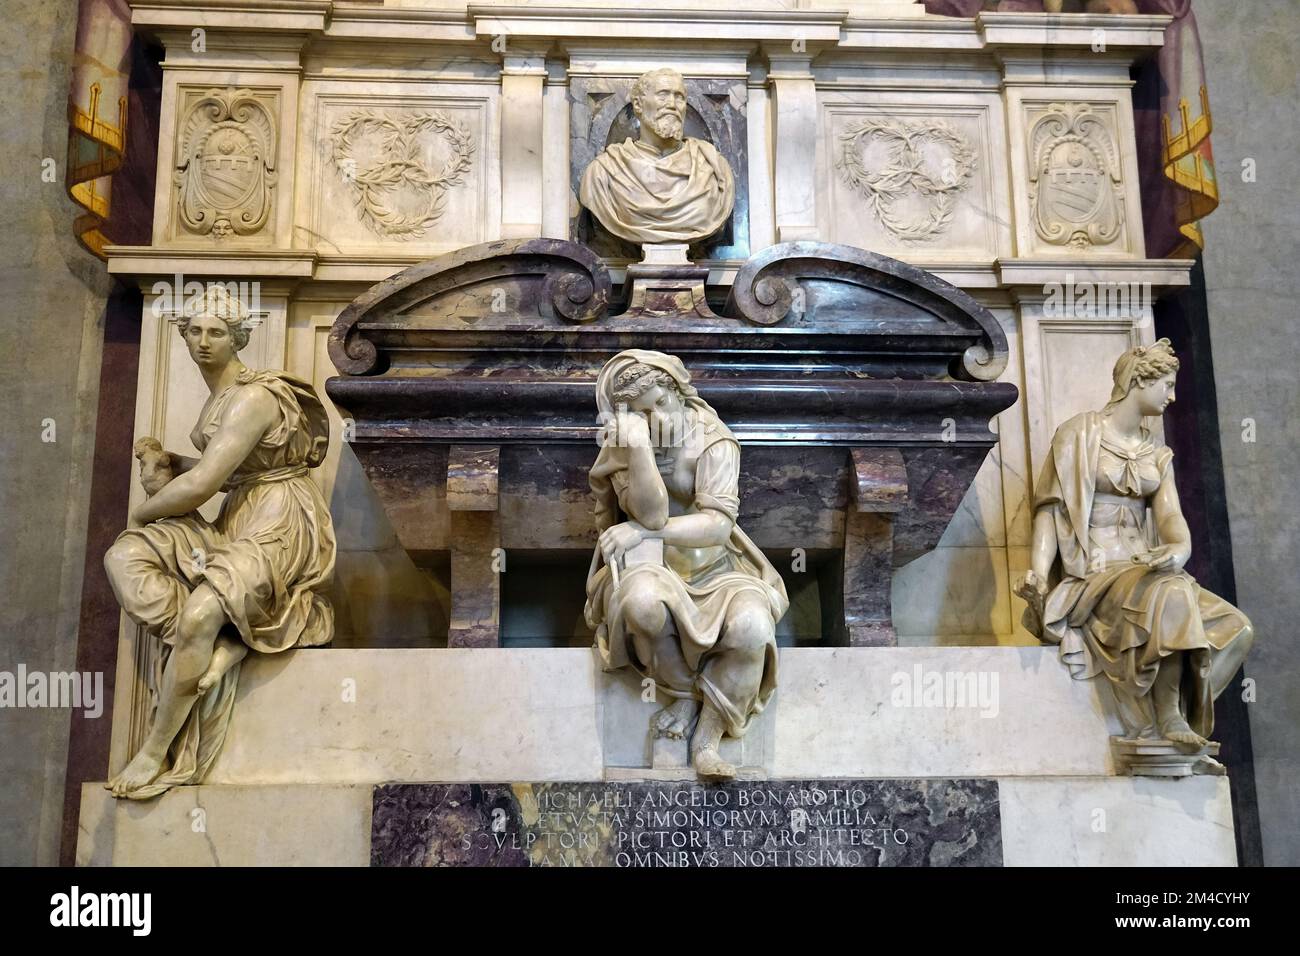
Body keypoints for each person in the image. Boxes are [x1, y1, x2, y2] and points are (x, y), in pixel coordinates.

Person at [104, 284, 335, 798]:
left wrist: (144, 509)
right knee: (125, 553)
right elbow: (225, 473)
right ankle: (220, 639)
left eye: (217, 332)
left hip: (280, 523)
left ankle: (154, 749)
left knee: (198, 612)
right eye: (195, 331)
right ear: (183, 336)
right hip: (239, 516)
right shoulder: (221, 398)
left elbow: (206, 484)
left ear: (238, 339)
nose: (204, 341)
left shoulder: (253, 396)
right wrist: (170, 465)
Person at [1019, 338, 1253, 772]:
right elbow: (1050, 513)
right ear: (1138, 381)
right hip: (1096, 574)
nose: (1173, 395)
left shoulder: (1157, 455)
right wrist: (1037, 574)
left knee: (1236, 629)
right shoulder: (1079, 435)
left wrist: (1179, 550)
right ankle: (1167, 715)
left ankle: (1175, 710)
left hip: (1147, 569)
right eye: (1166, 384)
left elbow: (1171, 520)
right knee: (1172, 595)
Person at [585, 349, 788, 780]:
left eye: (661, 402)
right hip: (650, 566)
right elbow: (652, 513)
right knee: (641, 603)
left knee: (752, 625)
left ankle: (707, 739)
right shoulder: (626, 445)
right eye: (642, 413)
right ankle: (682, 694)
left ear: (678, 391)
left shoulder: (714, 439)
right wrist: (637, 446)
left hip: (720, 569)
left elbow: (716, 526)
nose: (656, 416)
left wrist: (644, 532)